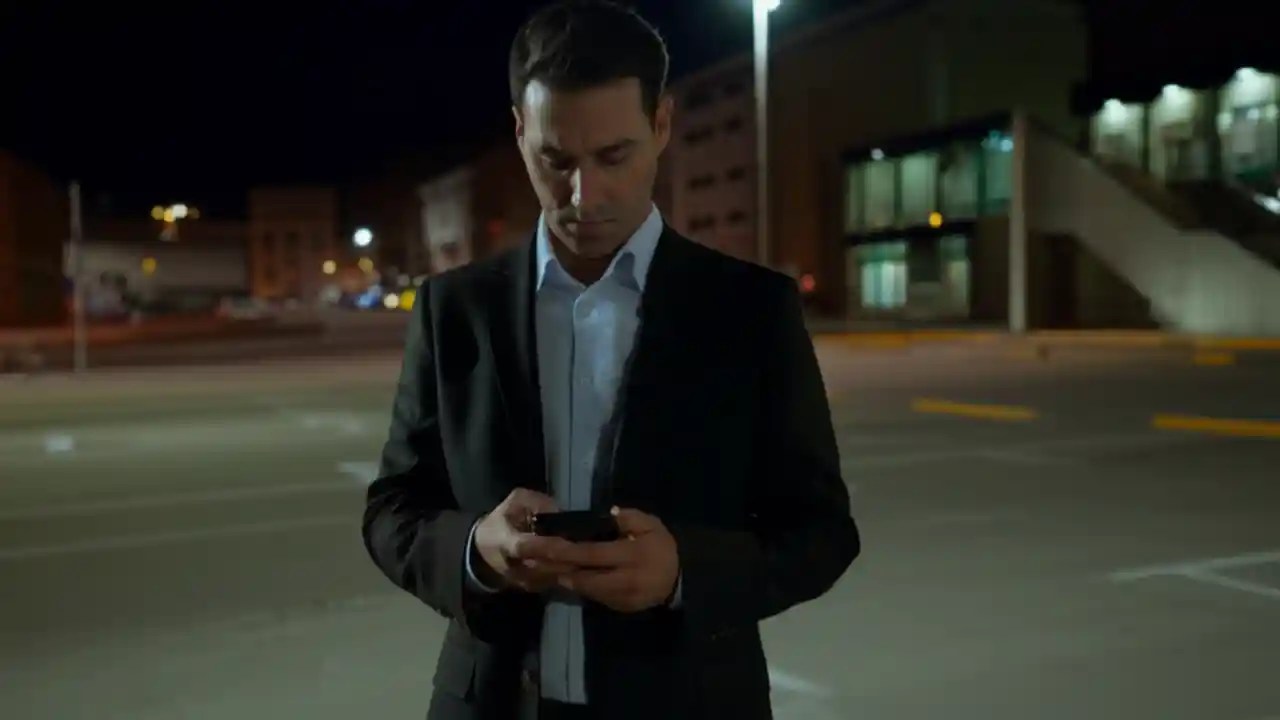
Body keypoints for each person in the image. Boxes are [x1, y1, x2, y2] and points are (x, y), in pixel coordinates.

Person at [361, 2, 860, 718]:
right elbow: (392, 510)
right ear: (519, 132)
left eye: (613, 157)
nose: (582, 196)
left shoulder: (749, 310)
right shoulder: (455, 310)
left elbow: (820, 532)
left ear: (661, 126)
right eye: (555, 161)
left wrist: (683, 571)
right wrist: (476, 549)